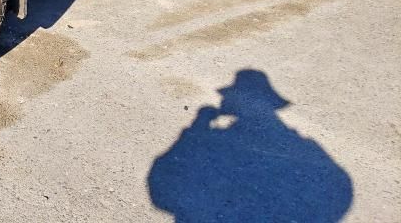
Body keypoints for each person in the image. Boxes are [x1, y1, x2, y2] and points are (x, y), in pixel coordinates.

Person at [148, 69, 353, 222]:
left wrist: (197, 126)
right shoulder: (305, 148)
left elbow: (162, 180)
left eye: (228, 95)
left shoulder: (222, 140)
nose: (224, 99)